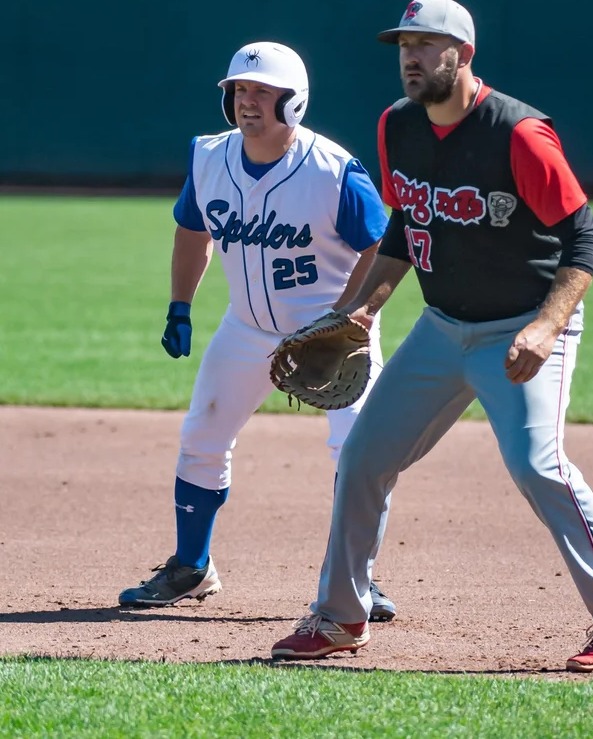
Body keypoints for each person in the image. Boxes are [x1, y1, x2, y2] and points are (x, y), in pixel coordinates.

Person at [271, 0, 593, 671]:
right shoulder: (398, 126)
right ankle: (340, 616)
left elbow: (584, 237)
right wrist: (365, 306)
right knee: (362, 458)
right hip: (442, 328)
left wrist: (545, 327)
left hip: (523, 329)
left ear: (464, 55)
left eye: (427, 44)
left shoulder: (518, 134)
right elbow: (404, 225)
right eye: (404, 45)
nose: (412, 57)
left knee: (538, 465)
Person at [117, 41, 397, 622]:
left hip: (331, 326)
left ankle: (357, 581)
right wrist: (179, 305)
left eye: (262, 92)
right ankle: (191, 568)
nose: (247, 102)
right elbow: (193, 230)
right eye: (239, 91)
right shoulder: (208, 158)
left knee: (359, 450)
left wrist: (350, 315)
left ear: (293, 102)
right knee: (202, 436)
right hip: (246, 325)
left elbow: (383, 244)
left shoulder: (331, 170)